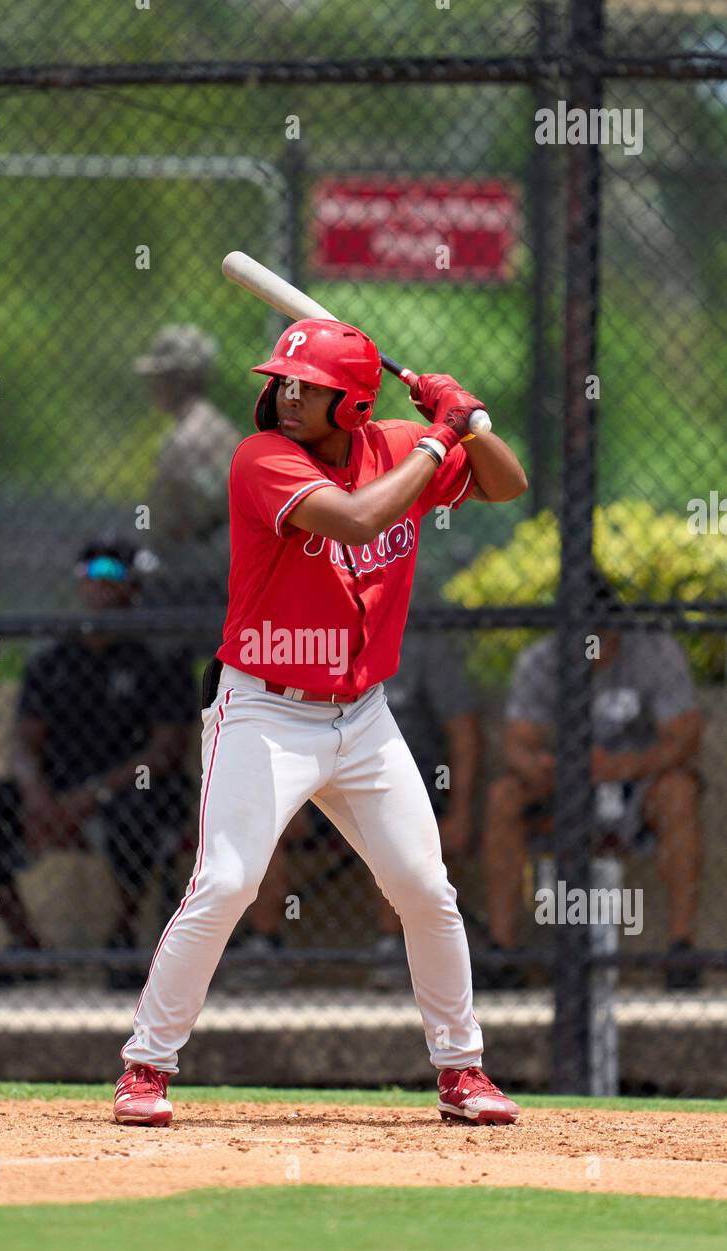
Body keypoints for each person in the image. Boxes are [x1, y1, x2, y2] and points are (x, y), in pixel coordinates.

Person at [113, 317, 528, 1127]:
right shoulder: (261, 459)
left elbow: (508, 483)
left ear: (354, 406)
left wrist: (469, 419)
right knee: (228, 880)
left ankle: (462, 1070)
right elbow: (359, 520)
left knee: (424, 886)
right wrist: (440, 443)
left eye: (310, 387)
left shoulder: (399, 447)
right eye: (285, 381)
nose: (287, 394)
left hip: (363, 715)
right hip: (264, 708)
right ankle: (146, 1065)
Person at [0, 537, 195, 990]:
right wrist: (37, 796)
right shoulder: (54, 658)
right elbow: (24, 742)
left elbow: (165, 751)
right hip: (58, 794)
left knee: (136, 817)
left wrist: (92, 797)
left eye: (113, 575)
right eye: (89, 574)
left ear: (135, 587)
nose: (99, 585)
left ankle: (123, 942)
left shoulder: (162, 656)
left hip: (133, 792)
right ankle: (27, 946)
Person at [483, 575, 704, 990]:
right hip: (565, 788)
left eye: (601, 635)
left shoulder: (654, 651)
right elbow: (516, 744)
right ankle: (503, 952)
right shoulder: (541, 660)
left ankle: (681, 950)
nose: (593, 647)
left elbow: (685, 737)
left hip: (634, 786)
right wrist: (547, 767)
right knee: (503, 796)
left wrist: (625, 764)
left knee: (680, 790)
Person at [371, 629, 480, 962]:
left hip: (412, 780)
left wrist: (460, 811)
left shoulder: (423, 642)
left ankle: (393, 945)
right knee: (267, 807)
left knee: (382, 796)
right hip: (324, 775)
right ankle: (265, 944)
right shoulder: (317, 638)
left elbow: (464, 730)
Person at [134, 325, 240, 605]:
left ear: (179, 380)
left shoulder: (188, 437)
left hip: (199, 574)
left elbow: (183, 518)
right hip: (213, 566)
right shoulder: (218, 427)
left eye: (160, 378)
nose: (153, 387)